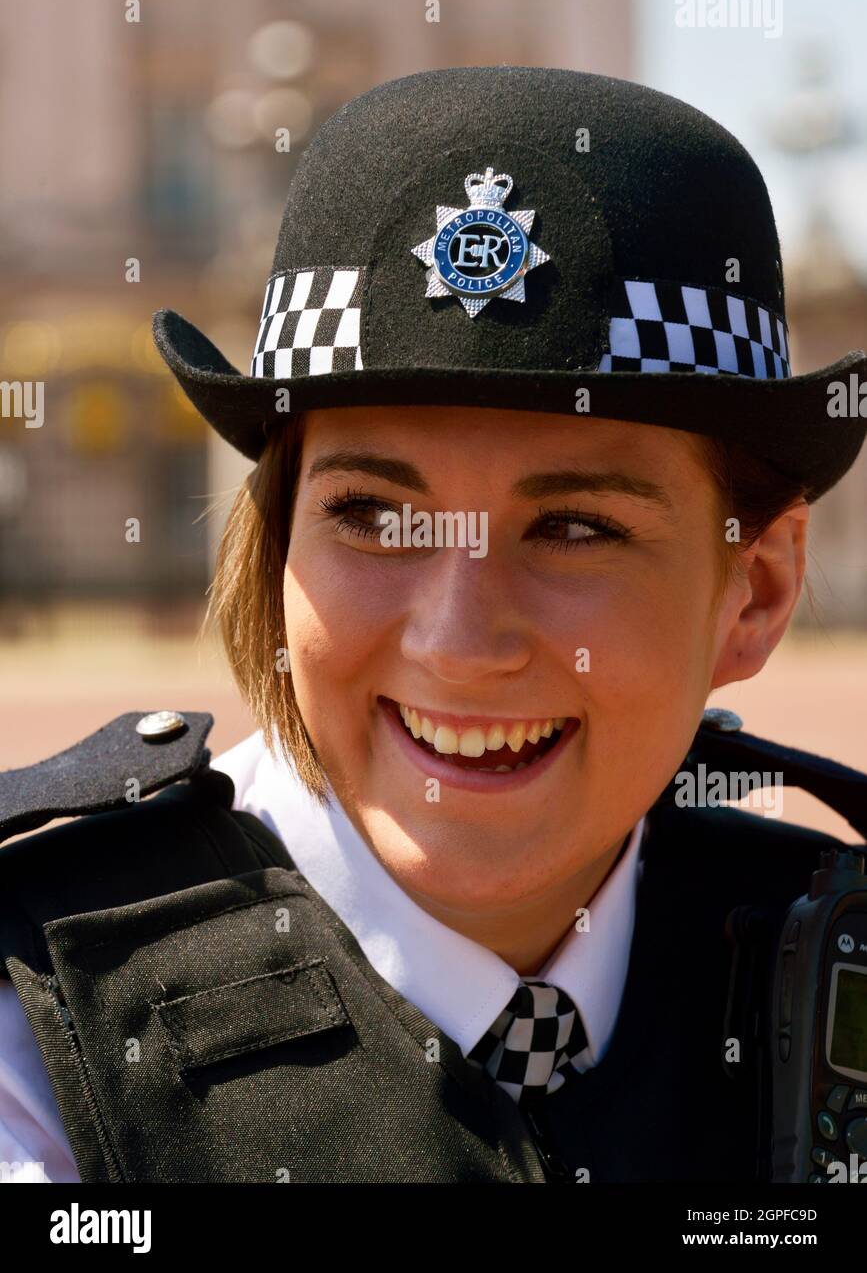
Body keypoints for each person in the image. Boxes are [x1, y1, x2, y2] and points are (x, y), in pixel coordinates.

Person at [1, 66, 865, 1185]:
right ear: (276, 547)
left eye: (574, 526)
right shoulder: (45, 1024)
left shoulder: (825, 964)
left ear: (754, 590)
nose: (458, 639)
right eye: (374, 515)